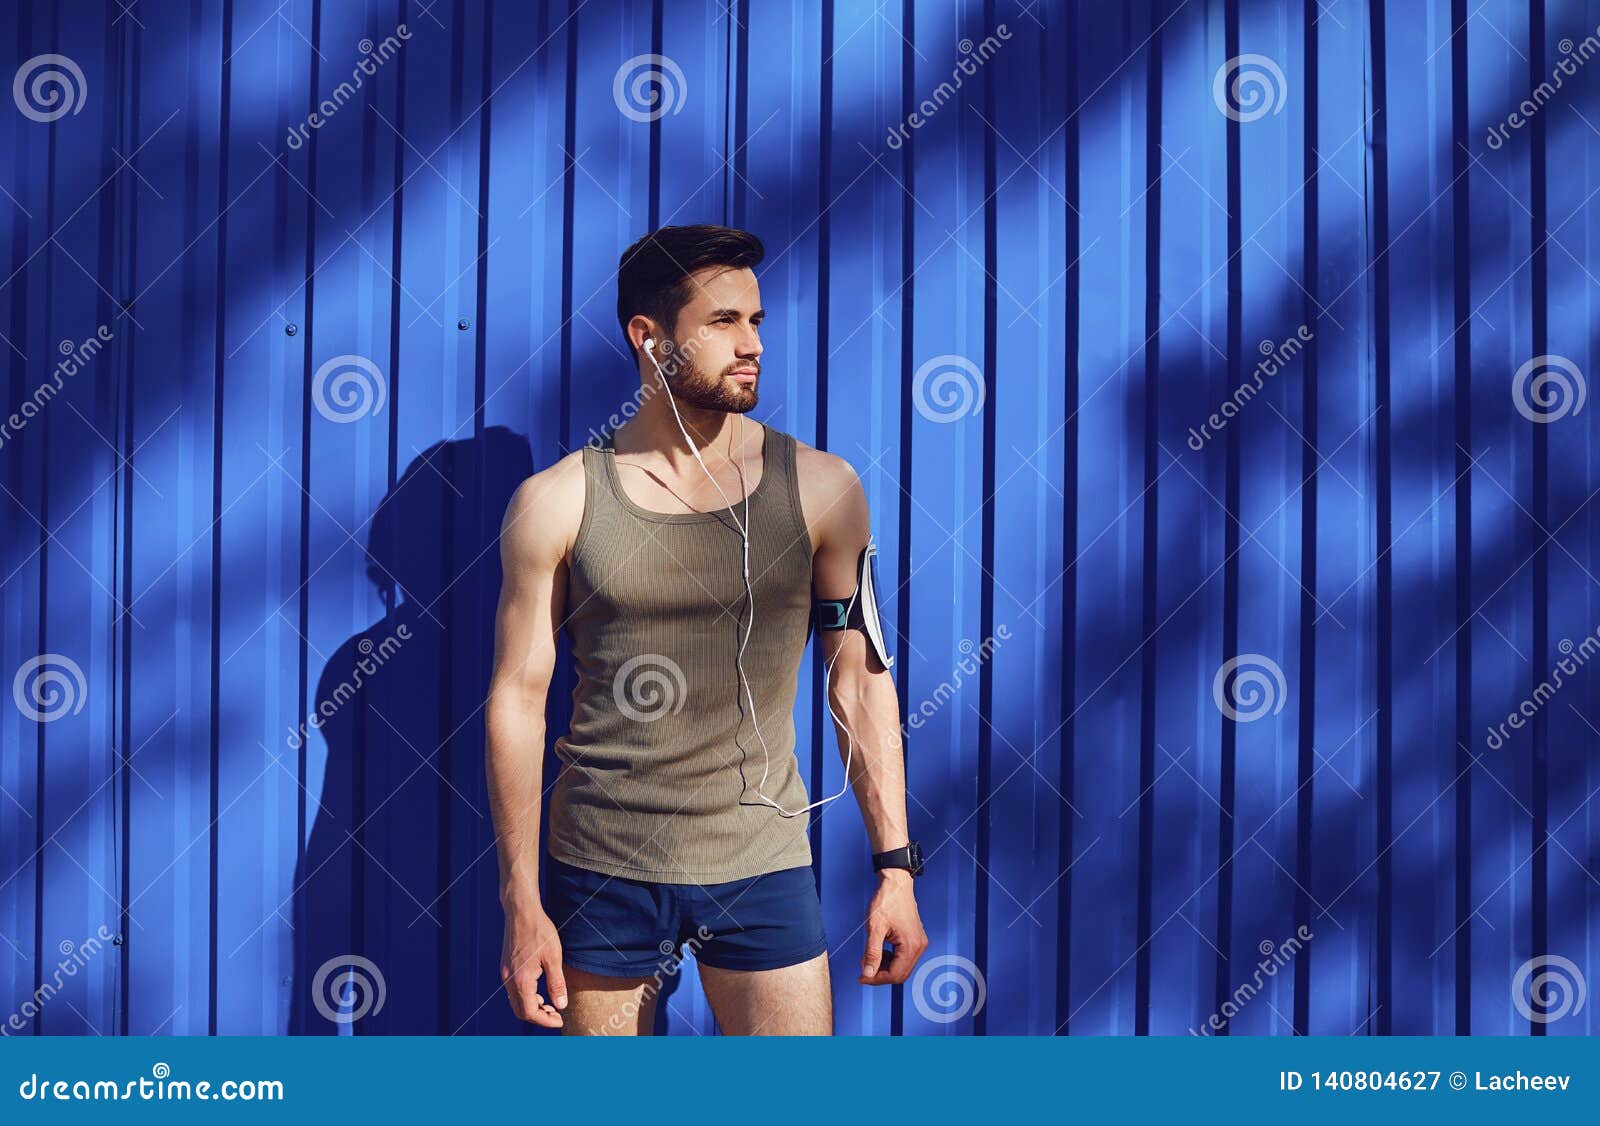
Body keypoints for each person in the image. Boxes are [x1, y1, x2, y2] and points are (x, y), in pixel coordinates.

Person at [484, 224, 927, 1035]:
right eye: (723, 322)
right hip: (604, 866)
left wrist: (895, 868)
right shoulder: (558, 501)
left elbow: (859, 677)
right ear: (648, 337)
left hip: (762, 864)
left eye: (756, 321)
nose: (752, 343)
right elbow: (517, 700)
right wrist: (521, 900)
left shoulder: (823, 489)